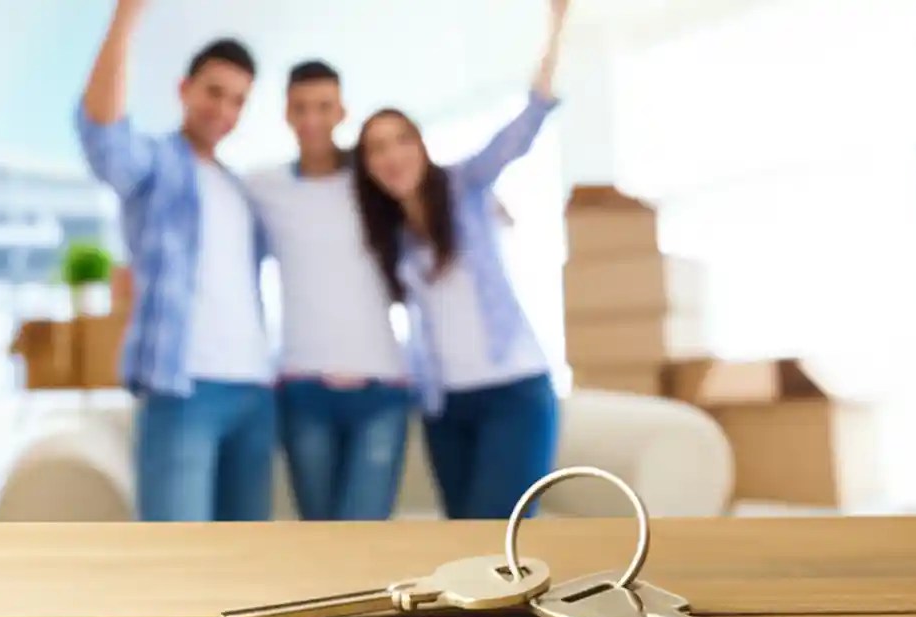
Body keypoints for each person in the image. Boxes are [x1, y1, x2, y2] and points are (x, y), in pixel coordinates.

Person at [352, 0, 569, 519]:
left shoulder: (467, 187)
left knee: (503, 535)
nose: (392, 155)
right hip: (444, 407)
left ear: (421, 146)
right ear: (368, 166)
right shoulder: (391, 236)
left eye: (401, 139)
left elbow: (526, 125)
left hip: (514, 391)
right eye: (377, 148)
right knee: (467, 542)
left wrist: (557, 26)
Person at [74, 0, 275, 522]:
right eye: (214, 92)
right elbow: (103, 136)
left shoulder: (238, 188)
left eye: (237, 101)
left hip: (254, 394)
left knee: (249, 563)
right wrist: (126, 16)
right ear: (184, 90)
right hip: (183, 391)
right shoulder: (157, 166)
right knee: (179, 555)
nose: (223, 110)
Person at [245, 61, 411, 521]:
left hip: (381, 389)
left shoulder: (376, 178)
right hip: (304, 390)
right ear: (287, 114)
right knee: (320, 535)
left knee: (365, 532)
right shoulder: (263, 187)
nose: (313, 119)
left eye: (324, 107)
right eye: (301, 108)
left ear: (342, 112)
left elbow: (431, 198)